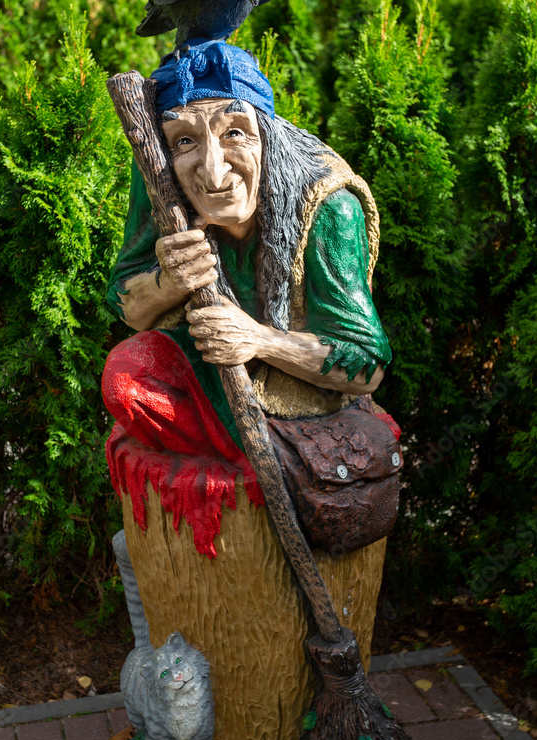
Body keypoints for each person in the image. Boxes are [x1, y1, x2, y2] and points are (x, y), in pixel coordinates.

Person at [102, 40, 396, 558]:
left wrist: (257, 338)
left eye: (234, 133)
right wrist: (167, 282)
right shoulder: (159, 180)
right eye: (185, 142)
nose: (213, 173)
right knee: (127, 378)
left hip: (302, 391)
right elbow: (127, 304)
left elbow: (366, 364)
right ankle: (242, 473)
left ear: (268, 135)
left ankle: (263, 474)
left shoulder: (328, 210)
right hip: (210, 375)